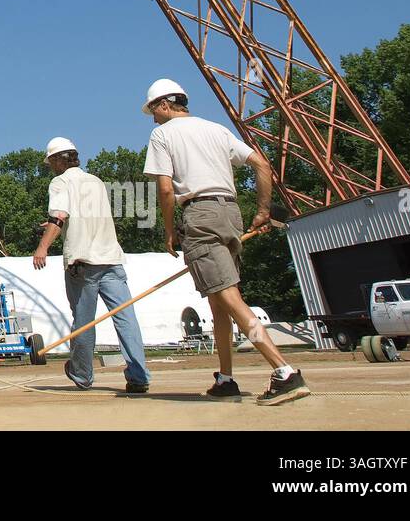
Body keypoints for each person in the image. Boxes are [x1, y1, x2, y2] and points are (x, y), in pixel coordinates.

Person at [140, 78, 310, 406]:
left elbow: (164, 189)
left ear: (163, 104)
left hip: (200, 215)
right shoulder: (216, 129)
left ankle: (284, 371)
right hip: (231, 213)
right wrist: (261, 210)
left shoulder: (162, 134)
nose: (153, 118)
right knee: (219, 303)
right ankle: (226, 378)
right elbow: (261, 164)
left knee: (229, 298)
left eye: (153, 111)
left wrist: (170, 231)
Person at [32, 136, 150, 394]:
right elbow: (82, 216)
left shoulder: (60, 182)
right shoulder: (95, 181)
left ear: (56, 160)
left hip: (82, 263)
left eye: (50, 162)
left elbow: (60, 216)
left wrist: (43, 247)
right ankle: (139, 376)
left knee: (84, 323)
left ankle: (82, 374)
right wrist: (55, 227)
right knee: (126, 319)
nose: (50, 167)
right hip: (111, 259)